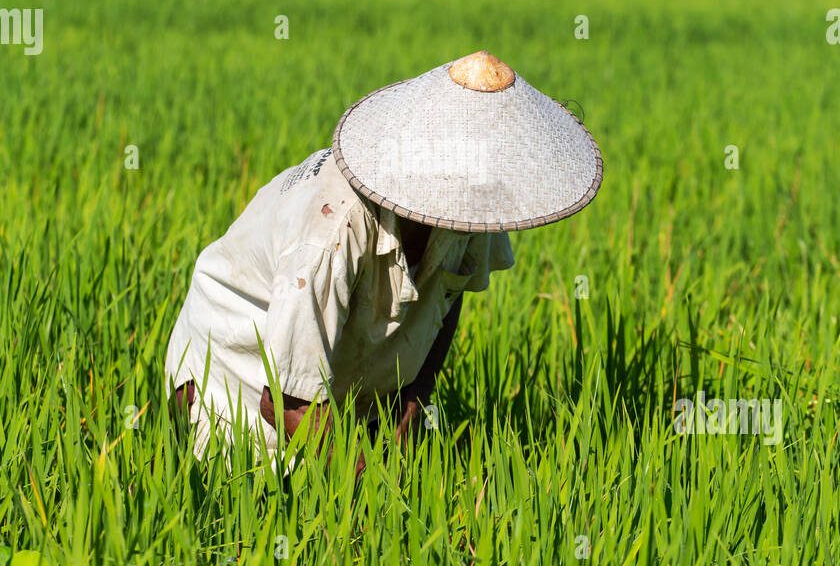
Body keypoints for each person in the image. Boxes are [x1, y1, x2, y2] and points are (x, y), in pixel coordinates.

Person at [164, 49, 603, 472]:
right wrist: (379, 492)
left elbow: (447, 294)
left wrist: (415, 396)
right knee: (264, 502)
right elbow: (285, 402)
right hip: (236, 374)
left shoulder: (473, 205)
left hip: (342, 382)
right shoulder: (333, 229)